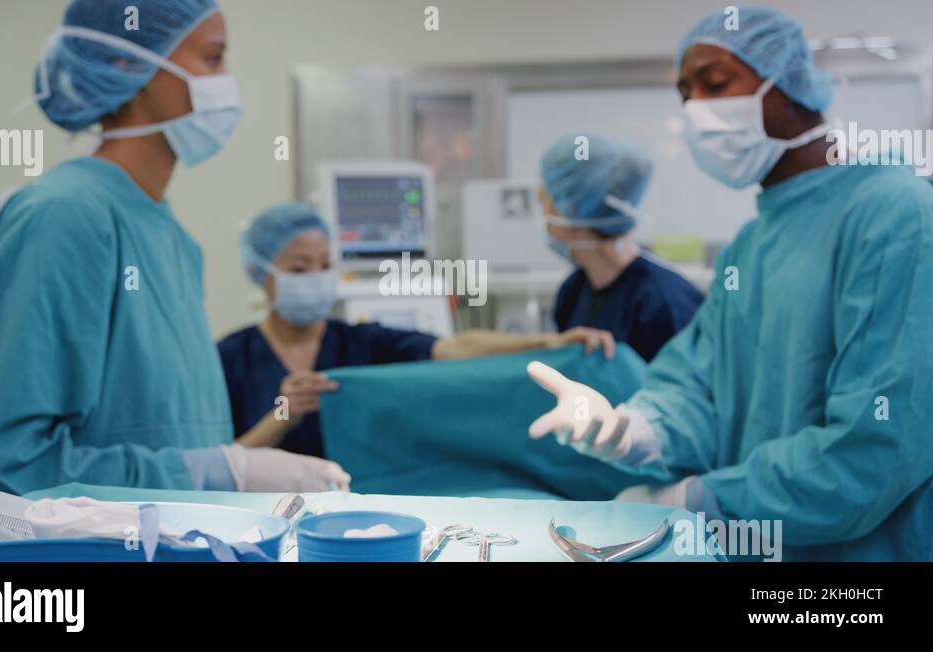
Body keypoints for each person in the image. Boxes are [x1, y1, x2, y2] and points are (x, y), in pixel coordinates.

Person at [526, 6, 933, 561]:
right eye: (685, 93)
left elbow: (875, 448)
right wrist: (635, 428)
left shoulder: (896, 214)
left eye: (715, 84)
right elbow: (699, 388)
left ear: (791, 87)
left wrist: (702, 498)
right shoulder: (751, 244)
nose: (696, 109)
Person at [0, 0, 348, 495]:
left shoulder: (175, 241)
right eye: (213, 58)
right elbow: (6, 465)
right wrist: (218, 474)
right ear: (126, 64)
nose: (226, 82)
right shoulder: (64, 216)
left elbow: (172, 431)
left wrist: (225, 472)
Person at [218, 202, 616, 458]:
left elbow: (454, 347)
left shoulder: (361, 342)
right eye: (300, 269)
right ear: (261, 273)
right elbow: (221, 466)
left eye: (325, 265)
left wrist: (547, 340)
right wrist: (282, 416)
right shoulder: (229, 358)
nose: (317, 278)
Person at [540, 135, 703, 361]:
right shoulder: (573, 290)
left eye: (545, 201)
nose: (543, 215)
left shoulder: (666, 303)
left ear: (573, 212)